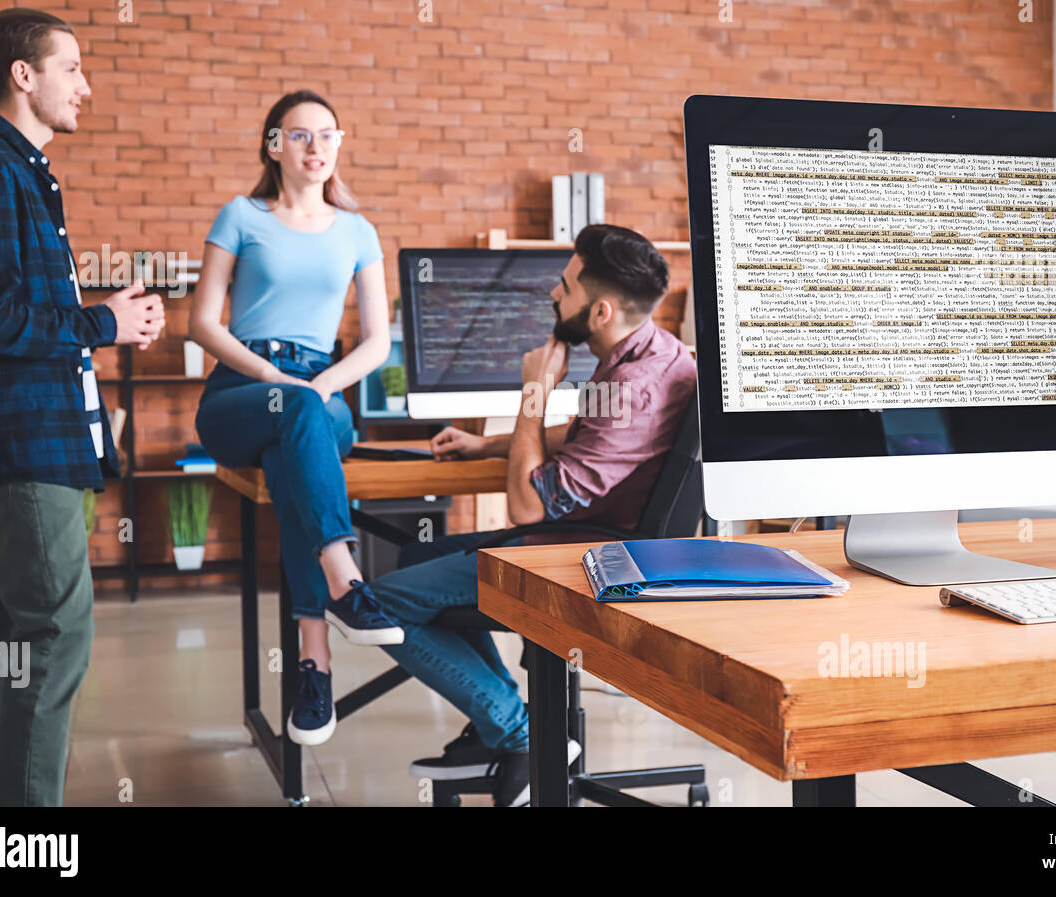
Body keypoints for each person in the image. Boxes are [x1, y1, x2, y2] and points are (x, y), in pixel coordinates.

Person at [370, 224, 698, 806]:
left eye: (564, 285)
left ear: (598, 311)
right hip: (592, 535)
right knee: (415, 555)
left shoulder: (630, 391)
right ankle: (507, 728)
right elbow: (582, 433)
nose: (552, 293)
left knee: (376, 602)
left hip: (579, 558)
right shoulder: (654, 351)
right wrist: (486, 446)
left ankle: (520, 732)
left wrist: (532, 394)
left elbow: (526, 503)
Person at [0, 8, 165, 806]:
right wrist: (104, 323)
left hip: (40, 440)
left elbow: (1, 307)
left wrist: (101, 316)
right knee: (53, 636)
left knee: (11, 640)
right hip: (24, 446)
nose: (85, 86)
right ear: (22, 76)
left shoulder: (9, 166)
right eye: (71, 68)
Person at [189, 90, 401, 748]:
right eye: (299, 135)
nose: (315, 147)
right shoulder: (241, 215)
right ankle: (345, 584)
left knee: (295, 452)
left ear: (340, 143)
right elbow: (201, 322)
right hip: (241, 391)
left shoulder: (357, 230)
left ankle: (314, 660)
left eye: (327, 135)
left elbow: (377, 341)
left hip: (321, 391)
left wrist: (319, 385)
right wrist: (272, 377)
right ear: (273, 145)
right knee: (291, 428)